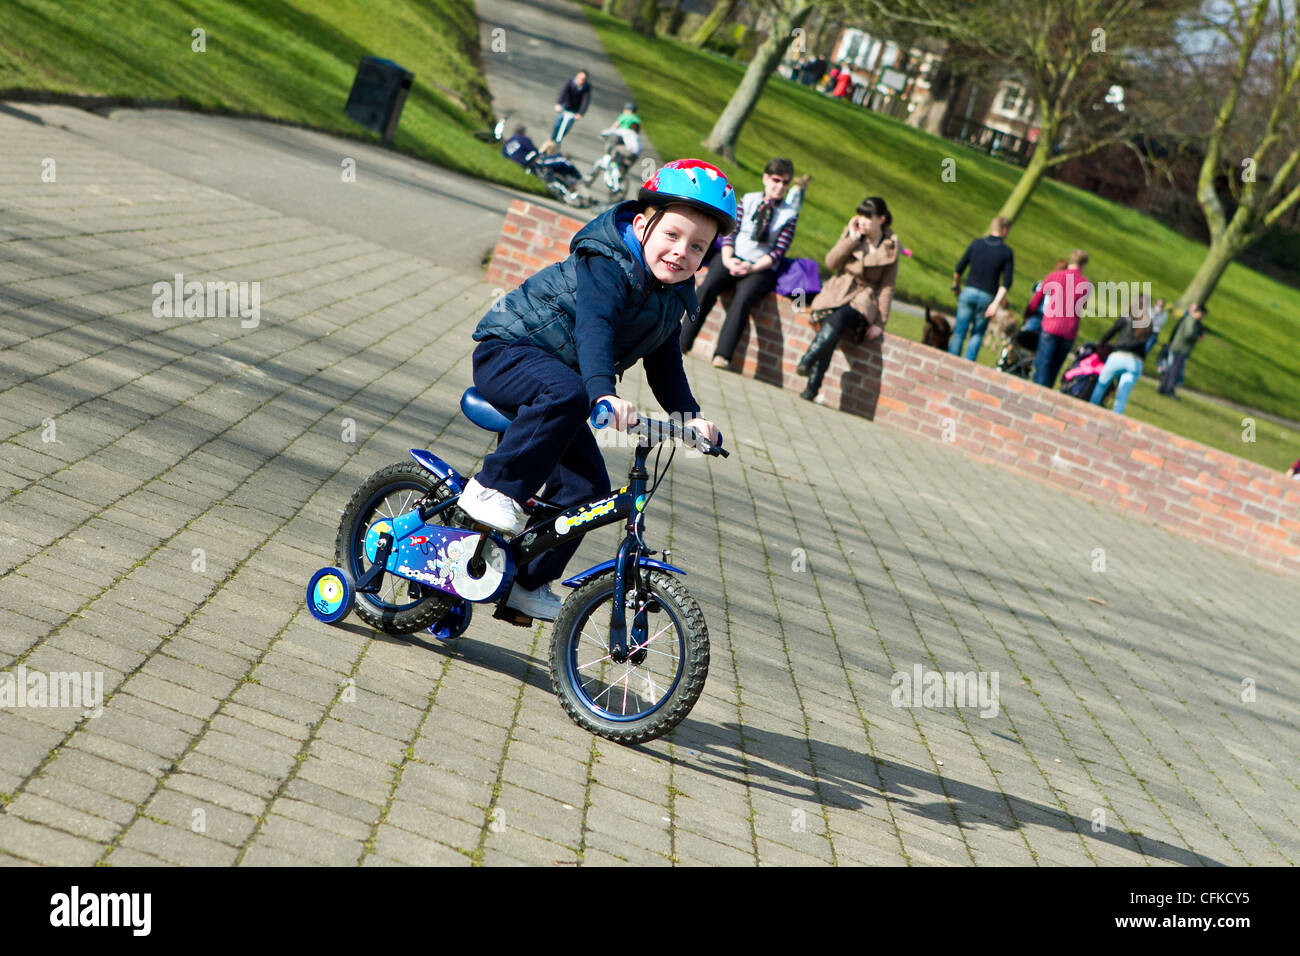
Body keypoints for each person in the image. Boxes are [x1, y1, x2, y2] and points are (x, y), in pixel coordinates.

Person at [460, 160, 734, 621]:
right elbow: (595, 328)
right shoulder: (606, 264)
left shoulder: (670, 297)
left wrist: (690, 418)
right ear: (643, 225)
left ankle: (526, 582)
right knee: (569, 392)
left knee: (588, 489)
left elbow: (666, 365)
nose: (681, 253)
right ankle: (490, 489)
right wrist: (603, 394)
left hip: (561, 388)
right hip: (510, 352)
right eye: (672, 236)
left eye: (697, 247)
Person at [680, 157, 799, 367]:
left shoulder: (788, 214)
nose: (780, 186)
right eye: (776, 180)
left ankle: (723, 355)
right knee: (707, 287)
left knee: (743, 300)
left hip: (761, 267)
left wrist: (752, 267)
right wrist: (728, 258)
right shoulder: (749, 199)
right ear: (765, 178)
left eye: (785, 183)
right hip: (731, 257)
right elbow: (730, 232)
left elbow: (779, 251)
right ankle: (682, 342)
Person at [795, 197, 899, 401]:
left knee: (838, 319)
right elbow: (831, 262)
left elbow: (888, 287)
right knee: (832, 330)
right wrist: (851, 239)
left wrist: (880, 322)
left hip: (863, 298)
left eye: (868, 217)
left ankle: (807, 360)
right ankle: (811, 389)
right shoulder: (852, 233)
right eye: (860, 215)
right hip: (838, 291)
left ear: (881, 219)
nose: (862, 220)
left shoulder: (891, 246)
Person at [949, 217, 1014, 360]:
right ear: (1004, 230)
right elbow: (1006, 283)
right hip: (987, 297)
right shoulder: (1006, 252)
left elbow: (959, 269)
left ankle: (951, 362)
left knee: (959, 331)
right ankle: (967, 367)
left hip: (968, 291)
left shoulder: (977, 244)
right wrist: (995, 304)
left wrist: (956, 286)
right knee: (977, 334)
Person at [1027, 249, 1091, 388]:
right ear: (1083, 264)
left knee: (1042, 365)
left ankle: (1037, 396)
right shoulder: (1086, 285)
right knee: (1054, 369)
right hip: (1069, 330)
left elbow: (1037, 299)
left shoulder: (1054, 276)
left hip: (1050, 326)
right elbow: (1081, 306)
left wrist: (1028, 314)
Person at [1088, 294, 1153, 414]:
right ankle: (1116, 419)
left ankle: (1091, 411)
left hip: (1118, 356)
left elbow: (1110, 333)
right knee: (1122, 396)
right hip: (1136, 361)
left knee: (1101, 385)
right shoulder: (1148, 323)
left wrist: (1101, 343)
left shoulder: (1126, 317)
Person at [1157, 302, 1207, 397]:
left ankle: (1163, 387)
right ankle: (1169, 389)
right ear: (1199, 313)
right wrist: (1197, 337)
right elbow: (1188, 334)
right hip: (1181, 348)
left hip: (1178, 346)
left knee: (1171, 367)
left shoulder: (1189, 319)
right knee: (1175, 369)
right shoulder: (1191, 320)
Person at [1022, 258, 1066, 334]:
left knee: (1026, 334)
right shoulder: (1064, 289)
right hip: (1051, 321)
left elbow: (1035, 300)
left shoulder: (1045, 282)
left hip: (1039, 315)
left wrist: (1027, 313)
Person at [552, 70, 592, 144]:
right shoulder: (570, 82)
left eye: (583, 79)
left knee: (567, 127)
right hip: (565, 105)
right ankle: (552, 140)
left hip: (575, 109)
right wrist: (558, 104)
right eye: (580, 78)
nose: (581, 81)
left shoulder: (586, 87)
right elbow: (563, 92)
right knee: (557, 123)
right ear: (577, 77)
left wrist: (580, 113)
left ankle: (557, 142)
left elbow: (585, 101)